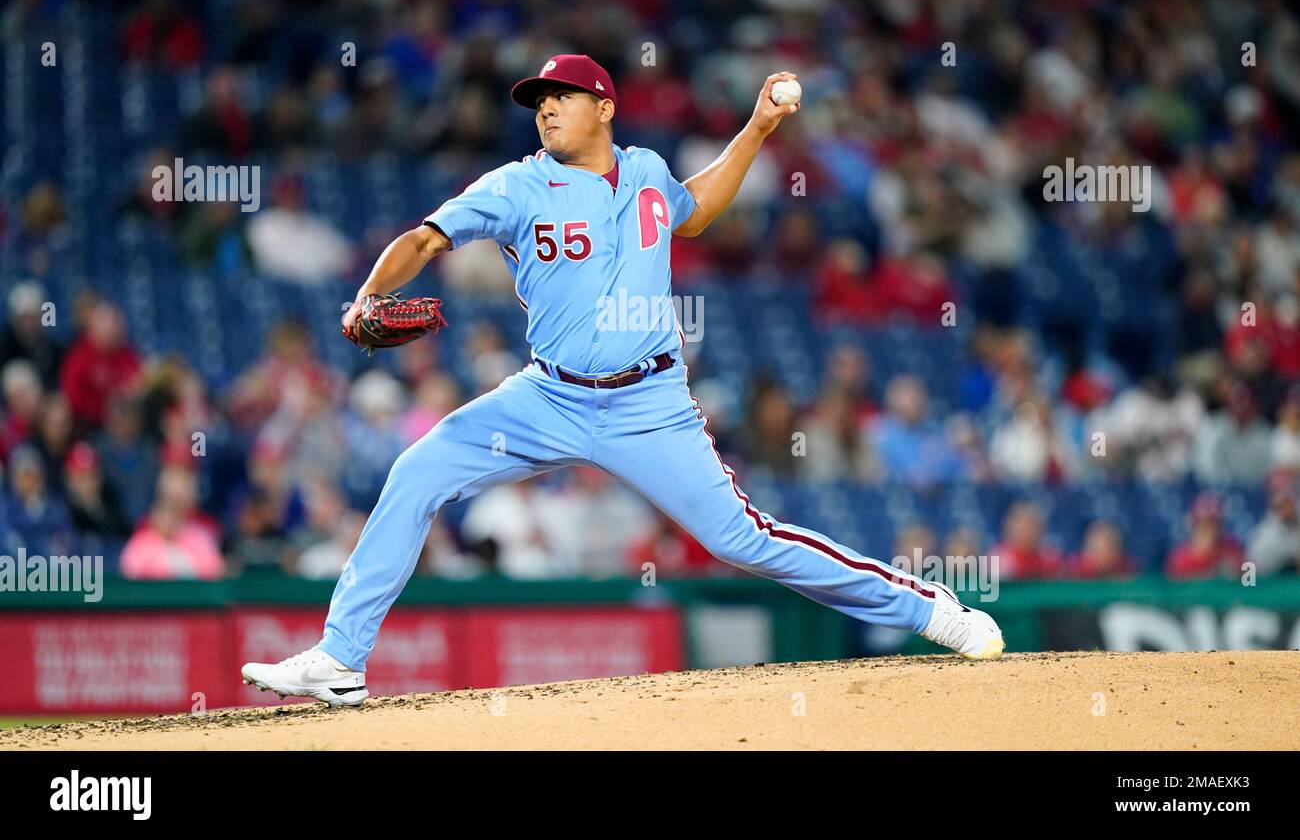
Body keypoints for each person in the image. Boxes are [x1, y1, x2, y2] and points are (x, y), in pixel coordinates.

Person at [242, 54, 1003, 706]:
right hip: (548, 397)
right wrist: (368, 297)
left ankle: (927, 607)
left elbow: (696, 210)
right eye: (537, 104)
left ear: (603, 105)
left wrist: (760, 127)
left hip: (651, 405)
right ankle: (341, 660)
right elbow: (424, 239)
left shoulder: (644, 171)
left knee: (744, 538)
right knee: (417, 472)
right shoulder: (515, 187)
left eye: (559, 100)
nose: (545, 113)